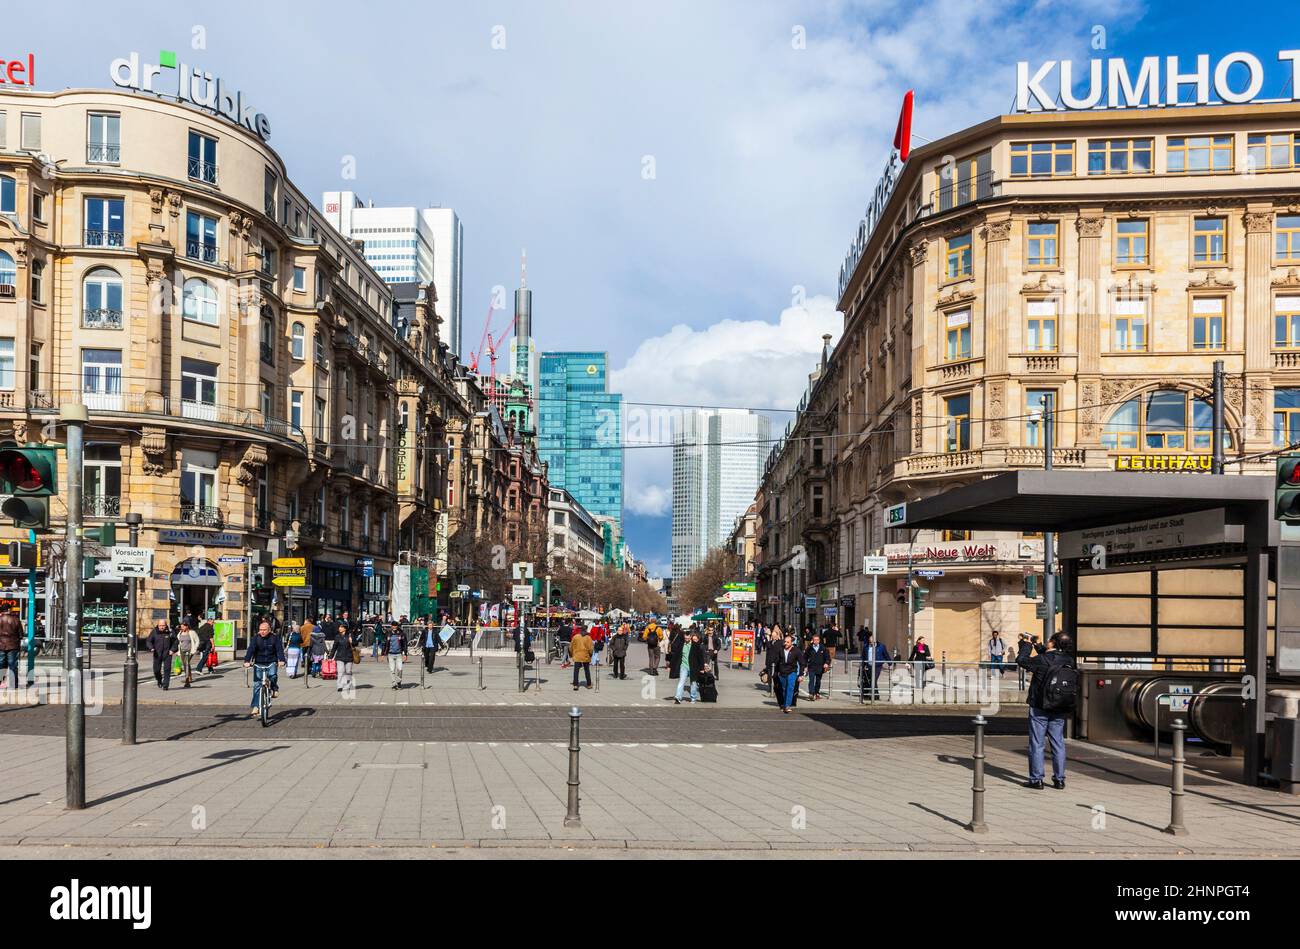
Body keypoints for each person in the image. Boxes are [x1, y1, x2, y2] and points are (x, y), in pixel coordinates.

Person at [1016, 631, 1077, 790]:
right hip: (1059, 706)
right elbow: (1051, 657)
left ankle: (1036, 779)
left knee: (1037, 743)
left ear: (1053, 642)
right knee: (1058, 743)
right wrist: (1038, 645)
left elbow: (1022, 660)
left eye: (1050, 640)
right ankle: (1059, 779)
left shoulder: (1042, 660)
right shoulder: (1069, 660)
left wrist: (1027, 644)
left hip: (1040, 706)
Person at [243, 619, 286, 717]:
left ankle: (274, 687)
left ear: (269, 630)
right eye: (260, 629)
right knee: (257, 685)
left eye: (264, 630)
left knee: (273, 675)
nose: (262, 631)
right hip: (259, 663)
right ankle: (256, 707)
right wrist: (247, 661)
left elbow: (279, 650)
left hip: (271, 662)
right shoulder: (256, 638)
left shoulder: (274, 638)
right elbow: (250, 650)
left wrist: (281, 660)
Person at [669, 629, 705, 704]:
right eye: (685, 638)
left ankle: (693, 698)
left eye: (688, 638)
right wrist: (670, 666)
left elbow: (700, 657)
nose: (687, 639)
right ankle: (678, 697)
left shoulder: (695, 645)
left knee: (693, 683)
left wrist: (702, 668)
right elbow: (675, 655)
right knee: (681, 681)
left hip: (693, 667)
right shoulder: (681, 644)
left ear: (691, 637)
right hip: (684, 666)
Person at [774, 633, 804, 713]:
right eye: (785, 642)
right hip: (782, 672)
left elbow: (802, 663)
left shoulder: (796, 651)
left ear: (791, 643)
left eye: (787, 642)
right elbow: (777, 661)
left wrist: (801, 674)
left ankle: (787, 706)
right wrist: (775, 673)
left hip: (792, 672)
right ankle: (784, 703)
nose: (785, 644)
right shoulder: (781, 650)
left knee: (790, 687)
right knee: (784, 689)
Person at [147, 619, 177, 690]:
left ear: (166, 625)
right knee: (156, 670)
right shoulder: (154, 631)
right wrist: (151, 648)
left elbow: (175, 641)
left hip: (167, 653)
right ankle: (159, 680)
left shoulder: (170, 631)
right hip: (157, 653)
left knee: (167, 669)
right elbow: (148, 641)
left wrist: (172, 650)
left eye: (163, 625)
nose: (162, 627)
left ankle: (165, 685)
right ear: (158, 625)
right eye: (160, 625)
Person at [803, 631, 831, 701]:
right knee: (811, 680)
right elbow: (805, 657)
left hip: (820, 667)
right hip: (811, 667)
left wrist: (826, 663)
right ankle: (811, 694)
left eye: (817, 640)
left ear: (819, 640)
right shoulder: (809, 648)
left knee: (818, 681)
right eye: (814, 640)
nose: (816, 641)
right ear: (812, 640)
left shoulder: (823, 648)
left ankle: (817, 692)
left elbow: (827, 657)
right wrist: (805, 666)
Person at [861, 633, 890, 700]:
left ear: (875, 640)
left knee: (873, 680)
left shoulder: (881, 646)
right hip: (869, 665)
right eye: (869, 641)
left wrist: (890, 664)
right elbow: (863, 656)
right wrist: (863, 665)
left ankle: (873, 695)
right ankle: (876, 696)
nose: (870, 643)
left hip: (877, 666)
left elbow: (886, 655)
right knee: (872, 680)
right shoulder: (866, 646)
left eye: (871, 641)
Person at [0, 608, 22, 690]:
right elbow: (21, 634)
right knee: (13, 665)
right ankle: (13, 685)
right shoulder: (16, 619)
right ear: (9, 609)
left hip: (1, 645)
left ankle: (0, 682)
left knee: (1, 664)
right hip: (13, 645)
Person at [570, 625, 594, 691]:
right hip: (585, 656)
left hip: (577, 655)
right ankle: (589, 684)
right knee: (587, 670)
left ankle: (575, 684)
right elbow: (591, 648)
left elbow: (571, 646)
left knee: (576, 671)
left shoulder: (576, 637)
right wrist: (590, 655)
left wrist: (572, 654)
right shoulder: (588, 638)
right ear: (586, 630)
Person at [335, 621, 356, 693]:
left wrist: (352, 641)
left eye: (341, 627)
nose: (339, 628)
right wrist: (330, 656)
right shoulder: (337, 636)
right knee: (340, 671)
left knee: (348, 672)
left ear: (345, 628)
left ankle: (348, 685)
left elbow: (355, 643)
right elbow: (335, 647)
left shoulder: (350, 635)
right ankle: (339, 686)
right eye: (339, 627)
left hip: (349, 656)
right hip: (340, 657)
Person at [177, 621, 198, 688]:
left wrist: (194, 649)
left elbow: (197, 641)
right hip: (182, 650)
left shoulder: (192, 632)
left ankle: (187, 680)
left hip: (189, 651)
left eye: (183, 626)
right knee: (185, 664)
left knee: (186, 663)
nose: (182, 627)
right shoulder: (180, 633)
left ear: (187, 626)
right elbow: (178, 642)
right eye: (181, 626)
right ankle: (189, 676)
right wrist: (178, 651)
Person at [386, 622, 406, 689]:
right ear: (391, 626)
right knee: (392, 670)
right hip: (390, 654)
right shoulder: (388, 633)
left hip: (399, 654)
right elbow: (385, 643)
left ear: (397, 626)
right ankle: (394, 684)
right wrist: (383, 653)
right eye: (393, 626)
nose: (394, 627)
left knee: (400, 669)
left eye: (395, 626)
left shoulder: (401, 633)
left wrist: (405, 653)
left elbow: (404, 644)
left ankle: (399, 681)